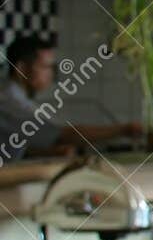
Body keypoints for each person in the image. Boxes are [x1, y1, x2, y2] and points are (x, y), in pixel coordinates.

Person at [0, 35, 142, 160]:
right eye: (46, 67)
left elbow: (14, 142)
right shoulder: (11, 101)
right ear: (22, 68)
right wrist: (125, 129)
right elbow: (63, 135)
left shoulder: (12, 95)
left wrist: (48, 153)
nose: (51, 74)